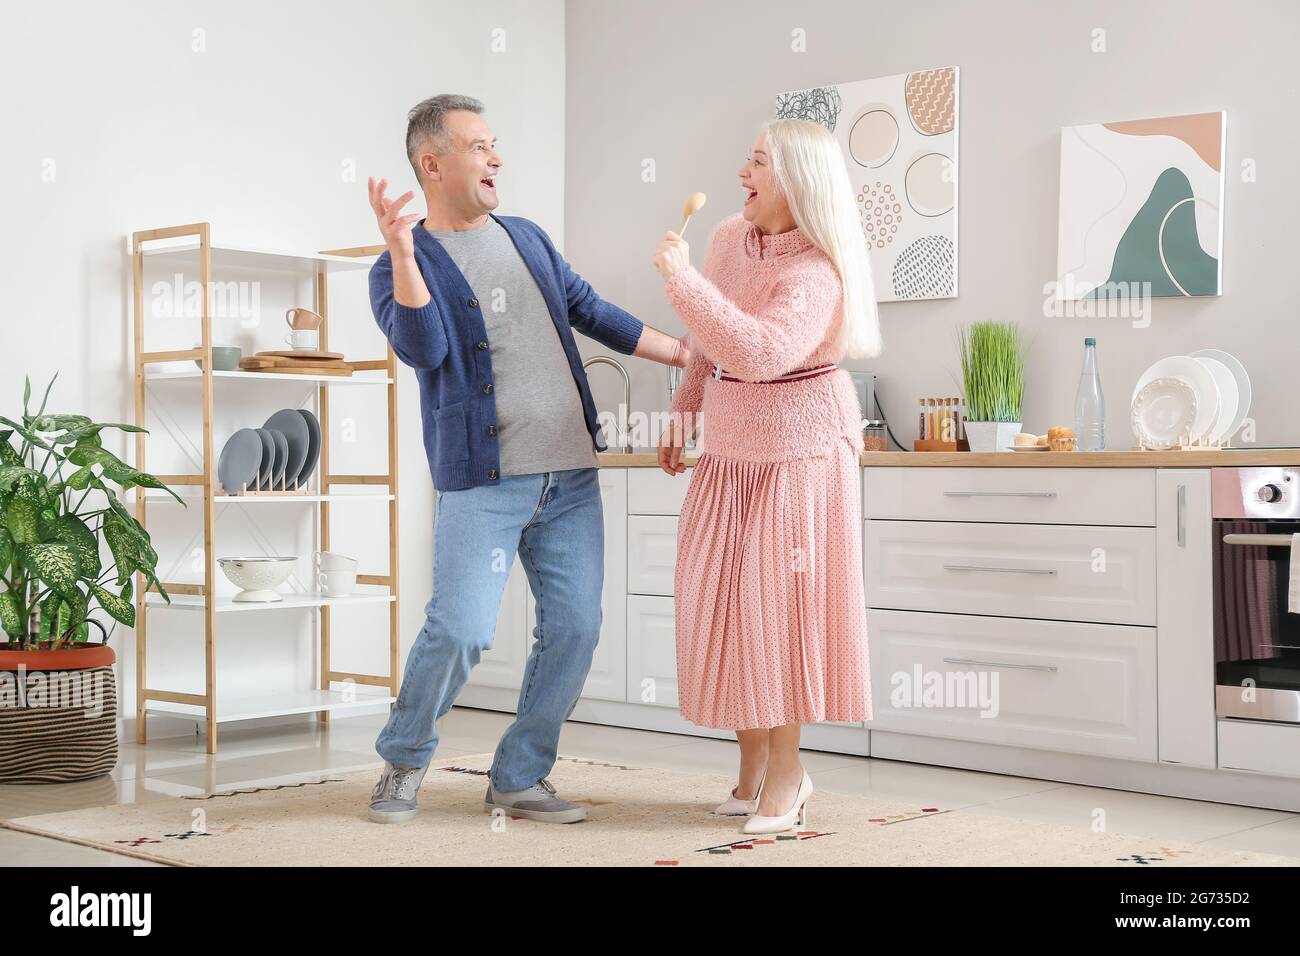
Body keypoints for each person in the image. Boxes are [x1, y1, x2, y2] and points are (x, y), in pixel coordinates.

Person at [367, 94, 688, 825]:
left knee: (575, 627)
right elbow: (424, 351)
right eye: (480, 146)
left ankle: (519, 775)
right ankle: (403, 759)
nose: (496, 157)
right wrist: (403, 251)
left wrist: (681, 351)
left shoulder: (527, 237)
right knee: (461, 628)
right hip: (483, 482)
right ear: (432, 162)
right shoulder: (398, 267)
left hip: (571, 478)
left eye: (494, 144)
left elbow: (589, 307)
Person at [653, 118, 881, 834]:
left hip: (801, 452)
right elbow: (711, 343)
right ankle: (751, 767)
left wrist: (680, 283)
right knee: (720, 606)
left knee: (779, 617)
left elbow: (758, 351)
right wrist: (685, 410)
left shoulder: (817, 271)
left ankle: (790, 774)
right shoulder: (726, 238)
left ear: (796, 182)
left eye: (757, 162)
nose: (742, 173)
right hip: (730, 447)